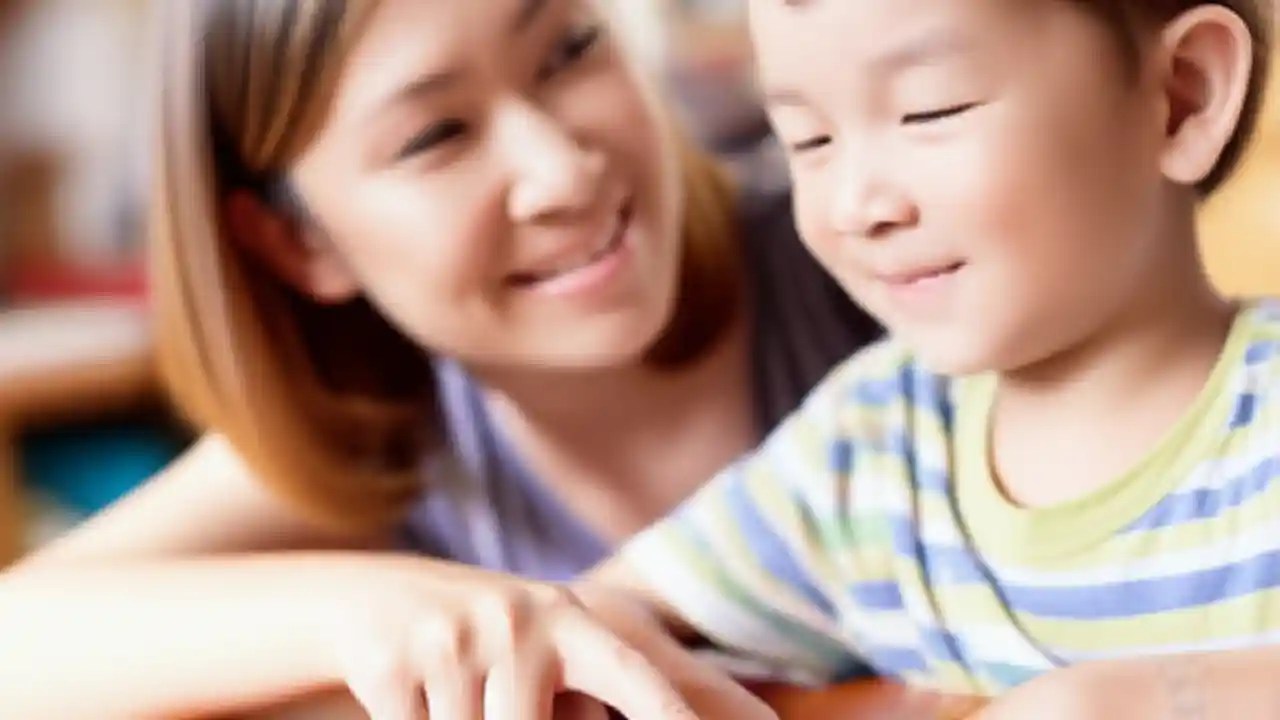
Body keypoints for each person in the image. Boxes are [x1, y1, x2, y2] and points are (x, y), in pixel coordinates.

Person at [333, 0, 1280, 718]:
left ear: (1182, 95)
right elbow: (590, 624)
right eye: (810, 141)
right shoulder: (860, 455)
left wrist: (1161, 695)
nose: (857, 203)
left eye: (928, 110)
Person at [0, 0, 879, 717]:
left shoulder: (881, 271)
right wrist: (394, 610)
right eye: (435, 137)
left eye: (569, 49)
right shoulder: (383, 438)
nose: (561, 173)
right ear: (295, 241)